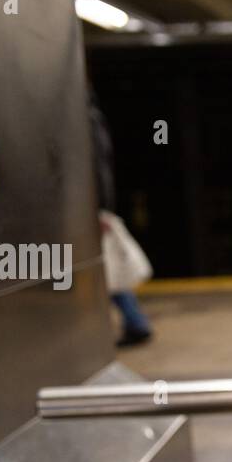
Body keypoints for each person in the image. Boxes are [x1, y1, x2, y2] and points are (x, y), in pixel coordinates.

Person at [89, 90, 152, 347]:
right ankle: (135, 321)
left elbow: (97, 166)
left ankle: (135, 322)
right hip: (95, 204)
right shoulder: (91, 118)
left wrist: (101, 207)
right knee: (107, 270)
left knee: (106, 270)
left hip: (93, 206)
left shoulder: (87, 120)